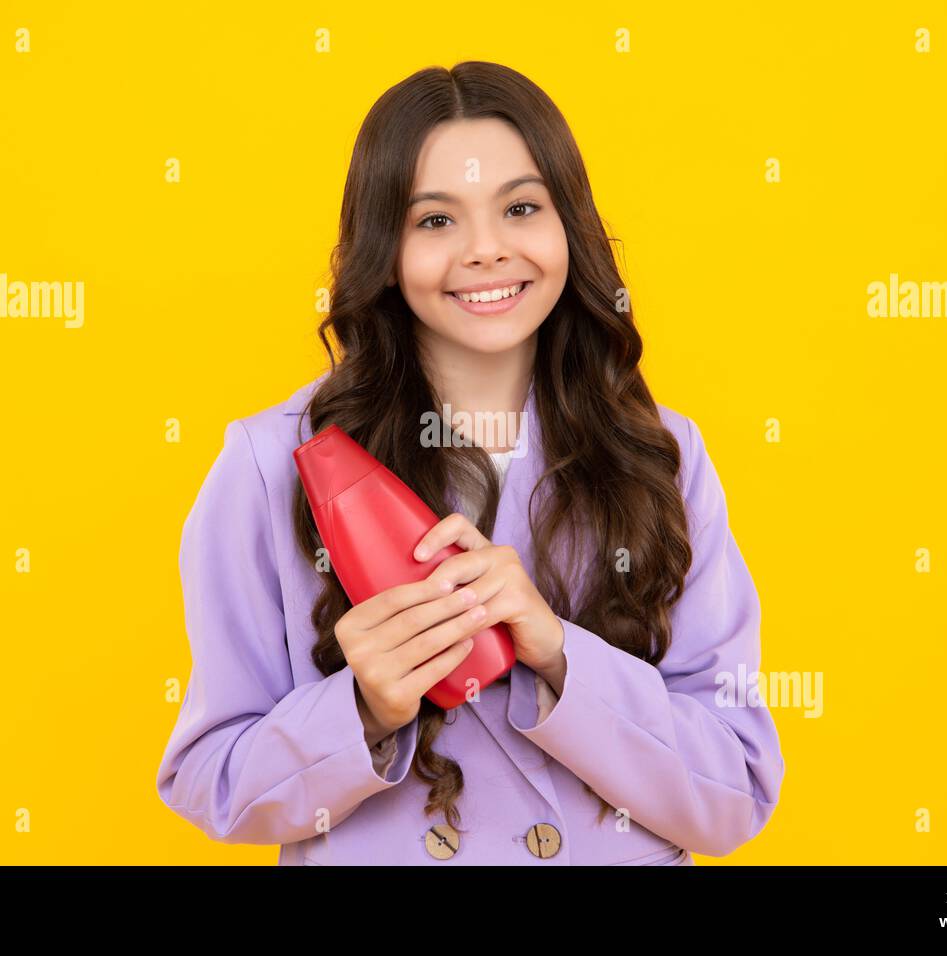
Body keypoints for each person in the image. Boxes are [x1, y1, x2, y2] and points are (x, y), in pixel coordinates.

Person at [155, 61, 784, 865]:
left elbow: (734, 794)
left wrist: (557, 652)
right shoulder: (271, 462)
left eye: (521, 208)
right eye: (435, 221)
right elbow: (213, 781)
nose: (487, 251)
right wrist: (363, 709)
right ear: (384, 250)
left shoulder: (660, 453)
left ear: (569, 230)